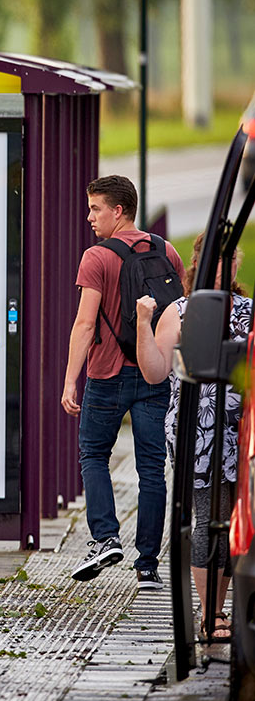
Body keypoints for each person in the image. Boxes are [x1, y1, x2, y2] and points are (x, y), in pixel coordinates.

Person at [62, 175, 182, 589]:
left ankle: (105, 538)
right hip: (153, 373)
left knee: (93, 454)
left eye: (96, 208)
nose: (89, 216)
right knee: (153, 469)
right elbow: (176, 315)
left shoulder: (95, 257)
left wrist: (69, 382)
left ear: (119, 211)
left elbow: (84, 323)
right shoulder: (165, 251)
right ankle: (147, 566)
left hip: (106, 375)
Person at [136, 233, 246, 639]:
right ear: (198, 264)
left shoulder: (249, 311)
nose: (223, 266)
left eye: (229, 257)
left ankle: (219, 609)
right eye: (214, 259)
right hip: (198, 430)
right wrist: (144, 325)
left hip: (242, 430)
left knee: (235, 519)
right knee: (208, 517)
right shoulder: (181, 311)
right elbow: (154, 371)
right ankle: (210, 615)